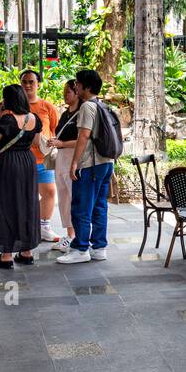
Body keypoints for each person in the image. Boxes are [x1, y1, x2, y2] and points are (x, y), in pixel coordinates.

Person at [56, 69, 114, 265]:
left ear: (87, 87)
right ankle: (99, 247)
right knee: (99, 206)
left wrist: (74, 163)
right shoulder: (102, 105)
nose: (76, 87)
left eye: (78, 84)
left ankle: (81, 248)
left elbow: (83, 136)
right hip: (106, 163)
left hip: (90, 164)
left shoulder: (87, 107)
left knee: (81, 206)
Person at [0, 84, 42, 269]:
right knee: (27, 203)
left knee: (5, 205)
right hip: (27, 161)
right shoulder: (34, 118)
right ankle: (26, 252)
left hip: (8, 163)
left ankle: (7, 255)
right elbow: (36, 142)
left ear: (7, 100)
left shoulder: (7, 120)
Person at [20, 69, 62, 244]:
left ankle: (44, 227)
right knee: (24, 195)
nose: (28, 85)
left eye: (32, 82)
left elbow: (55, 129)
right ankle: (24, 228)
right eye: (25, 82)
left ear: (38, 84)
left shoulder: (47, 107)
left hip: (43, 160)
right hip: (22, 160)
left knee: (49, 192)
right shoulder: (16, 107)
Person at [47, 78, 82, 250]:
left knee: (73, 196)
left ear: (78, 92)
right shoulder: (66, 113)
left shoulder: (83, 112)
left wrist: (62, 144)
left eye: (68, 92)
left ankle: (77, 236)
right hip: (61, 157)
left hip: (73, 157)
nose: (64, 95)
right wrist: (55, 142)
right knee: (63, 198)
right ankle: (70, 234)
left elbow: (84, 140)